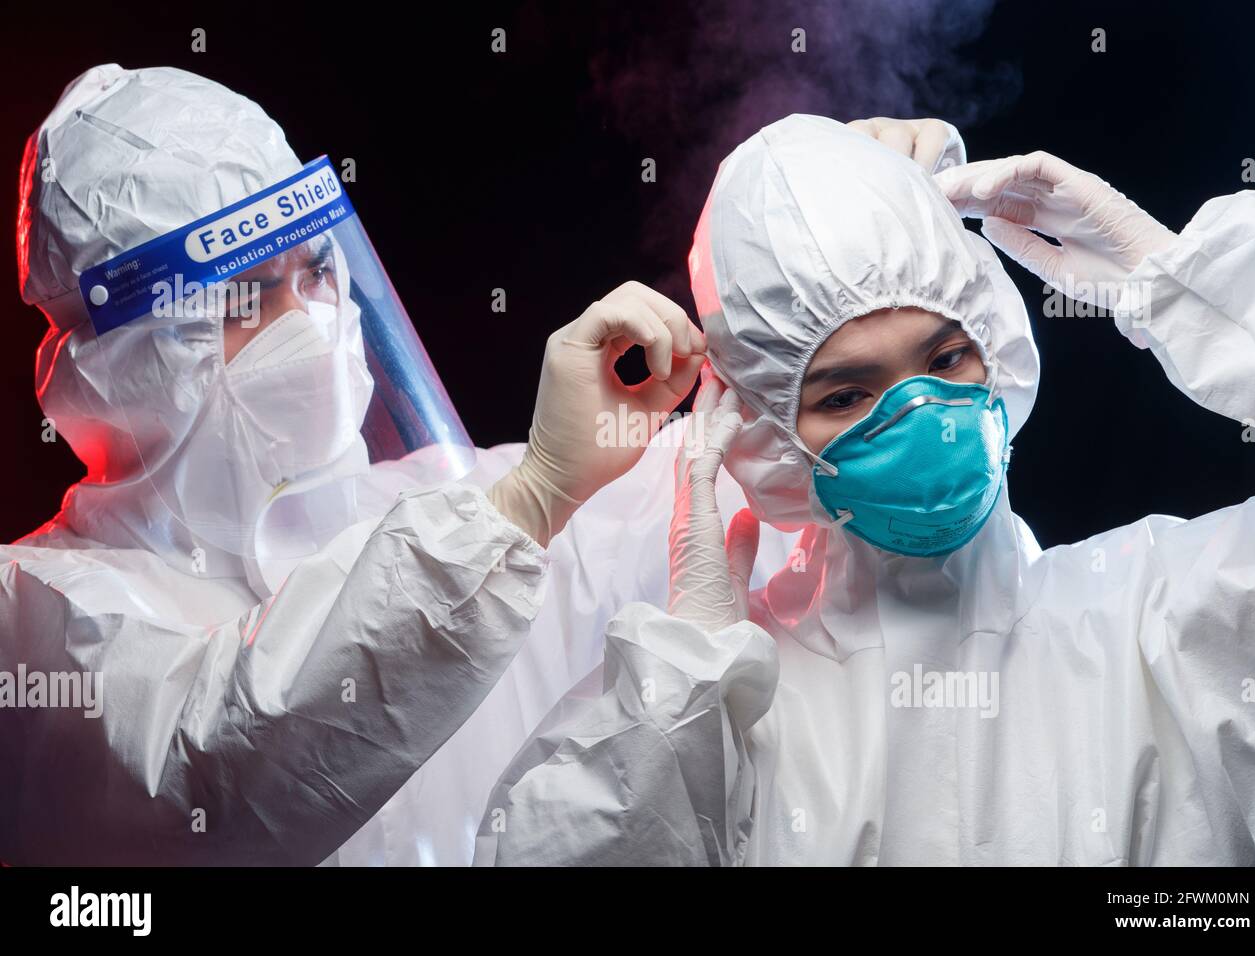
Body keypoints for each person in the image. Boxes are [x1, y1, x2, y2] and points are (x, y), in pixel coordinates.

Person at [473, 113, 1255, 866]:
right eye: (845, 396)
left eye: (945, 359)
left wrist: (1194, 288)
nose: (921, 416)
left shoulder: (1174, 618)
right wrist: (678, 696)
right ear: (763, 434)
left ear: (995, 342)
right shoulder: (725, 714)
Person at [3, 62, 721, 865]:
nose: (310, 324)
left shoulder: (449, 506)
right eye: (245, 296)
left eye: (315, 271)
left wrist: (792, 300)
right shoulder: (35, 612)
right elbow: (210, 767)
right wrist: (532, 501)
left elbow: (699, 490)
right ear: (124, 360)